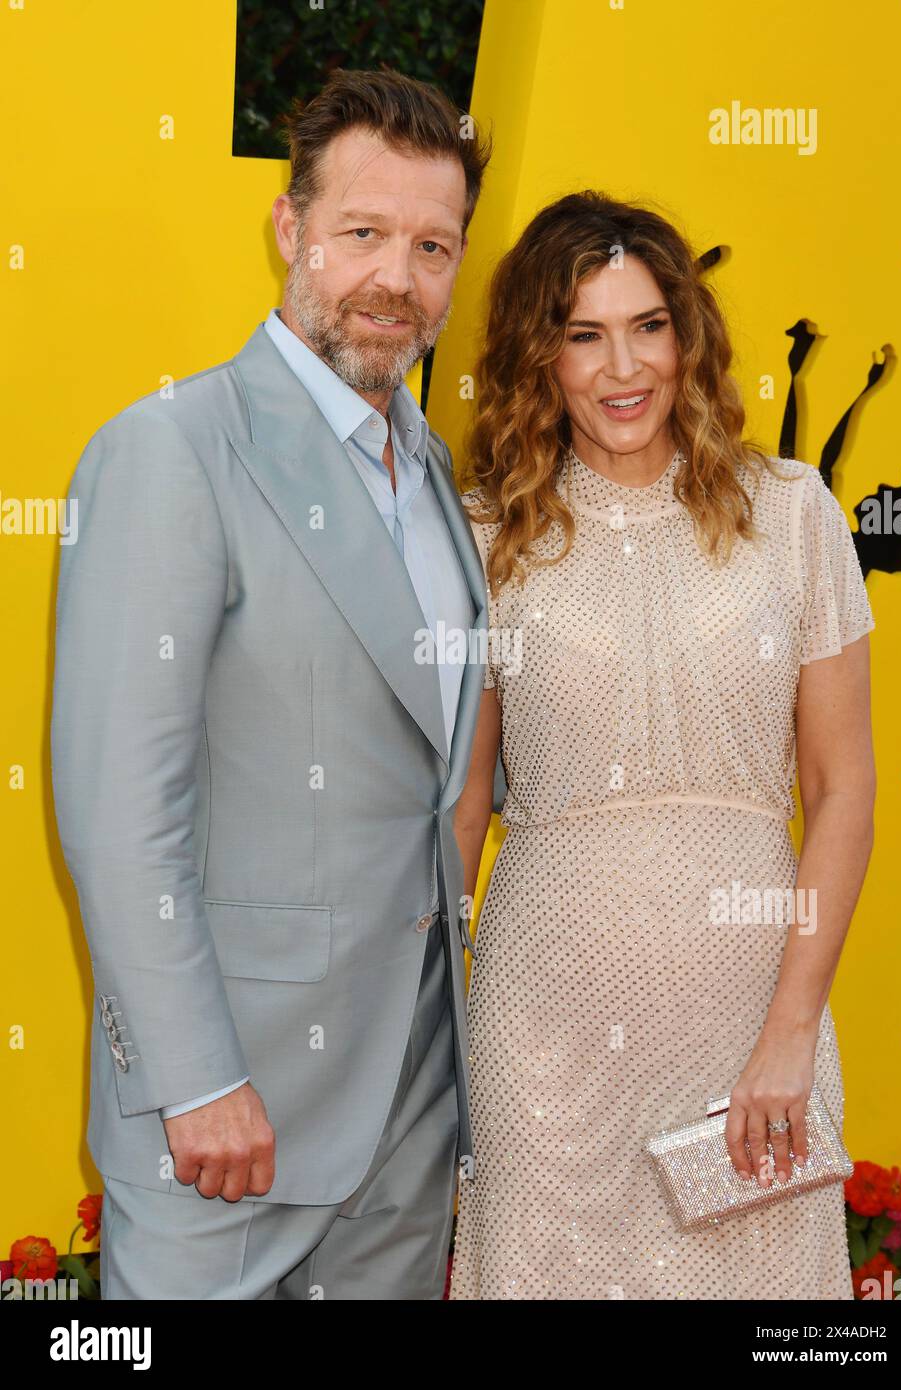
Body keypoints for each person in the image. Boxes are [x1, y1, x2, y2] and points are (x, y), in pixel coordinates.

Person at [50, 68, 491, 1300]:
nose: (396, 279)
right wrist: (194, 1079)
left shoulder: (436, 473)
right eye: (362, 233)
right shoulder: (173, 450)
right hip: (231, 1117)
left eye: (431, 246)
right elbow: (118, 805)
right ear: (289, 228)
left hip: (406, 1103)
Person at [450, 192, 875, 1299]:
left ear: (688, 333)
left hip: (748, 1022)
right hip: (542, 1035)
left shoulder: (791, 514)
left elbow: (840, 787)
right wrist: (421, 1032)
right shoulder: (488, 533)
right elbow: (458, 805)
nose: (620, 366)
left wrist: (791, 1029)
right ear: (537, 357)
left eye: (646, 325)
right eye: (581, 334)